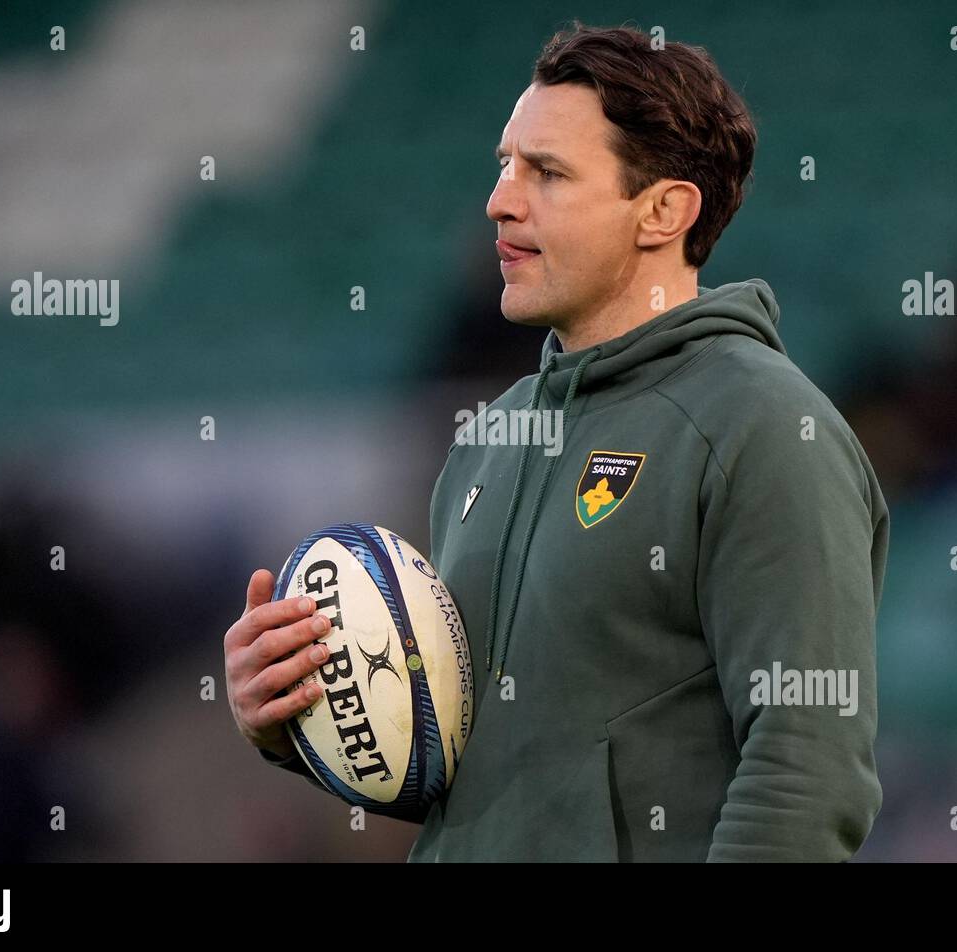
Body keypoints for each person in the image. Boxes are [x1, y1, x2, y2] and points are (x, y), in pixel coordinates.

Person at [226, 22, 889, 862]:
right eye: (505, 165)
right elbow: (481, 784)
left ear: (663, 211)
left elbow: (808, 767)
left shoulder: (763, 427)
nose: (501, 200)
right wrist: (293, 716)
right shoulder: (487, 440)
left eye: (547, 173)